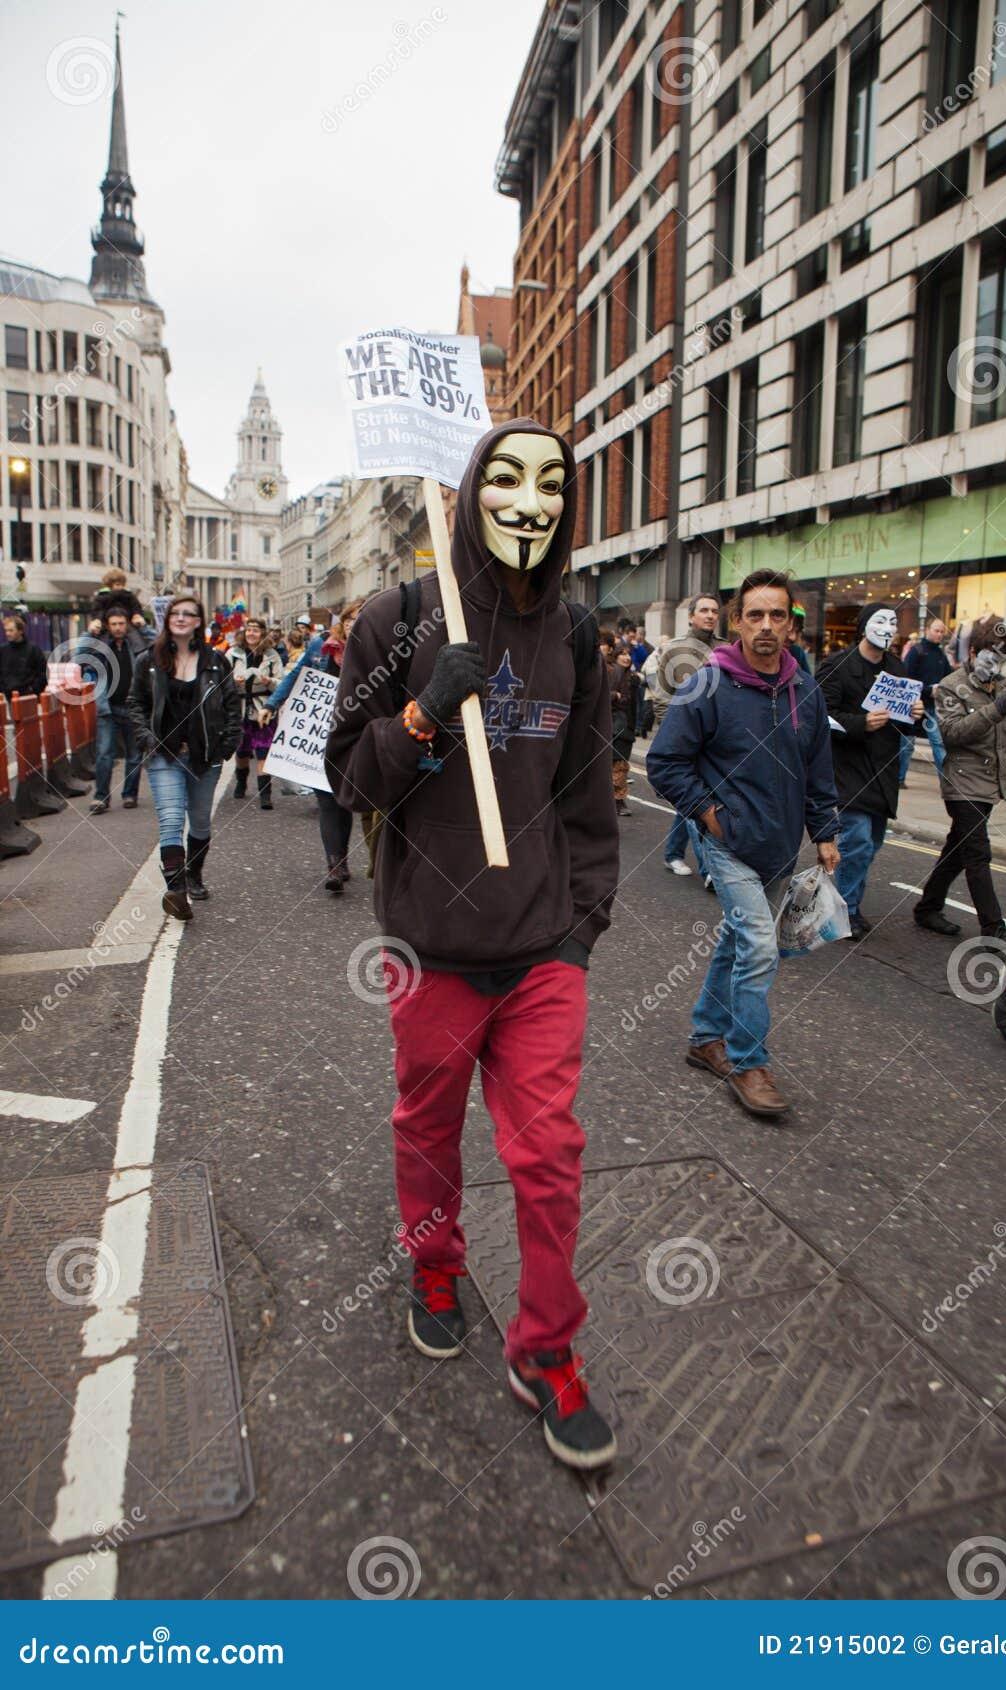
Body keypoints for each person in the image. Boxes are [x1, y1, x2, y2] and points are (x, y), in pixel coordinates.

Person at [325, 418, 619, 1470]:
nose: (529, 502)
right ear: (466, 492)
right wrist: (420, 712)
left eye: (551, 483)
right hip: (430, 950)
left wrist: (580, 927)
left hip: (541, 952)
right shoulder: (395, 619)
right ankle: (435, 1263)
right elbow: (346, 780)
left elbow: (588, 798)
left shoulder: (575, 636)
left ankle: (545, 1347)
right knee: (428, 1128)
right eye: (505, 478)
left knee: (548, 1156)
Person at [647, 568, 839, 1119]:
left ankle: (705, 1037)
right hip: (726, 843)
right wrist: (711, 816)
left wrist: (825, 832)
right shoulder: (707, 683)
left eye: (778, 615)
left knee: (737, 941)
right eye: (755, 614)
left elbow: (818, 769)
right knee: (758, 946)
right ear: (737, 622)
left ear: (791, 624)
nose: (767, 625)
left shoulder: (806, 690)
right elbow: (665, 762)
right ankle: (748, 1060)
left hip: (780, 845)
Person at [914, 615, 1006, 944]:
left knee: (957, 850)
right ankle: (993, 928)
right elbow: (953, 733)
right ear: (974, 652)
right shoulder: (951, 686)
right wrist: (997, 709)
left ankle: (927, 907)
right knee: (977, 853)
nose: (996, 665)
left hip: (989, 783)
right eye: (991, 657)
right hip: (962, 784)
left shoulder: (1004, 685)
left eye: (1002, 659)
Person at [127, 595, 241, 917]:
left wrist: (227, 744)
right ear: (166, 620)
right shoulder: (148, 661)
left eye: (188, 614)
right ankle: (176, 891)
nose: (180, 618)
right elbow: (135, 704)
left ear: (198, 621)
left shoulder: (216, 661)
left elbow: (232, 705)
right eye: (174, 613)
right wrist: (147, 740)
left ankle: (194, 875)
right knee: (171, 819)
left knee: (200, 821)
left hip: (205, 755)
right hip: (164, 754)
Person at [816, 604, 925, 939]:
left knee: (872, 842)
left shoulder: (896, 667)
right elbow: (819, 716)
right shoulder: (837, 665)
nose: (888, 628)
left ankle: (844, 902)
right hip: (848, 766)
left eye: (893, 622)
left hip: (883, 767)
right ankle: (845, 911)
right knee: (859, 840)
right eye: (880, 621)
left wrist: (915, 714)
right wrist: (861, 723)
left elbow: (903, 723)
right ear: (864, 627)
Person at [262, 599, 365, 891]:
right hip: (318, 734)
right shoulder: (321, 646)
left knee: (342, 798)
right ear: (343, 622)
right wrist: (272, 703)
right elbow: (296, 676)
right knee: (326, 797)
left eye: (360, 619)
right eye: (350, 619)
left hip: (353, 733)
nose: (354, 625)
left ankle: (341, 857)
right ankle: (333, 864)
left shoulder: (373, 648)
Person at [653, 593, 725, 877]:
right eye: (704, 610)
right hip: (685, 740)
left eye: (714, 611)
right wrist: (672, 737)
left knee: (696, 797)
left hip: (717, 740)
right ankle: (709, 870)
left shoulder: (727, 649)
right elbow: (662, 698)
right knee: (696, 795)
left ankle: (673, 853)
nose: (710, 615)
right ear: (692, 616)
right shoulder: (675, 650)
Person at [76, 607, 148, 814]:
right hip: (108, 709)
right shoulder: (100, 646)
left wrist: (144, 626)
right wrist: (89, 633)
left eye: (121, 623)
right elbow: (79, 656)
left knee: (134, 755)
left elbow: (156, 644)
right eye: (114, 624)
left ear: (127, 624)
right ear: (108, 626)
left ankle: (130, 794)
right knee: (104, 755)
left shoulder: (136, 644)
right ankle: (101, 797)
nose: (118, 628)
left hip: (133, 708)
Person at [229, 616, 284, 808]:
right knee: (242, 751)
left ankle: (265, 795)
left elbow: (282, 683)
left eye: (256, 630)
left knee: (263, 751)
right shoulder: (233, 653)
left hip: (263, 710)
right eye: (249, 629)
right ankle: (241, 781)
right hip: (240, 709)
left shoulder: (272, 655)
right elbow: (221, 681)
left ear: (262, 633)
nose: (251, 633)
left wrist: (269, 681)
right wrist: (234, 682)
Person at [899, 616, 950, 785]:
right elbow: (907, 680)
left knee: (938, 742)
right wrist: (929, 690)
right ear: (927, 630)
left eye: (942, 631)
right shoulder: (916, 651)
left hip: (932, 707)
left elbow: (949, 677)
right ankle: (899, 779)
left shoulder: (941, 655)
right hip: (912, 706)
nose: (939, 634)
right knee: (906, 746)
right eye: (936, 630)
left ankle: (947, 783)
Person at [608, 643, 638, 817]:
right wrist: (616, 695)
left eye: (629, 654)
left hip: (626, 726)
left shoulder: (630, 677)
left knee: (619, 764)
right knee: (618, 765)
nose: (627, 657)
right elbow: (604, 695)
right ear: (615, 655)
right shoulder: (614, 672)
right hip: (617, 726)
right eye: (623, 654)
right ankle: (617, 801)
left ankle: (615, 800)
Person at [0, 612, 47, 697]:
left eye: (11, 630)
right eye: (6, 630)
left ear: (20, 631)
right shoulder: (2, 651)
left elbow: (43, 673)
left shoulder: (33, 650)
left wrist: (33, 690)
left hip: (29, 697)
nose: (8, 633)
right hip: (6, 697)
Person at [88, 567, 146, 632]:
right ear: (110, 585)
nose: (120, 587)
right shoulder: (102, 597)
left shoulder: (129, 596)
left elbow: (136, 607)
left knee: (146, 632)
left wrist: (137, 616)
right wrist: (97, 620)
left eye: (122, 584)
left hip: (127, 626)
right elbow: (98, 610)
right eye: (117, 584)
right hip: (106, 627)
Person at [787, 605, 811, 673]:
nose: (793, 637)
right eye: (788, 629)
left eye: (798, 631)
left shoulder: (797, 653)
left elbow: (807, 678)